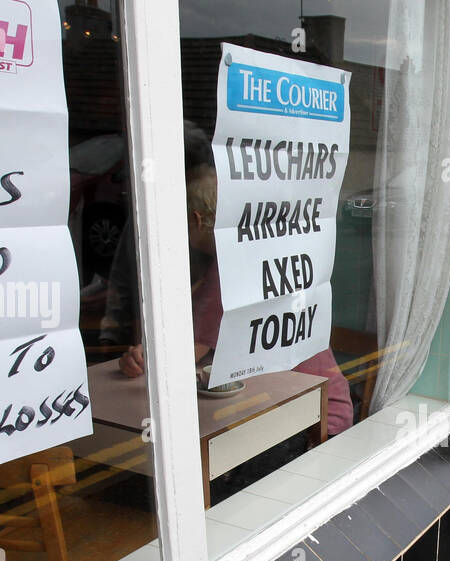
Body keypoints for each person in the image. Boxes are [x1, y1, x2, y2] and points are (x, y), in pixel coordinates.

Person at [117, 165, 353, 437]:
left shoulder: (230, 268)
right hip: (315, 408)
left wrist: (143, 359)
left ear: (194, 220)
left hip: (312, 424)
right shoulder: (256, 254)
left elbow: (183, 354)